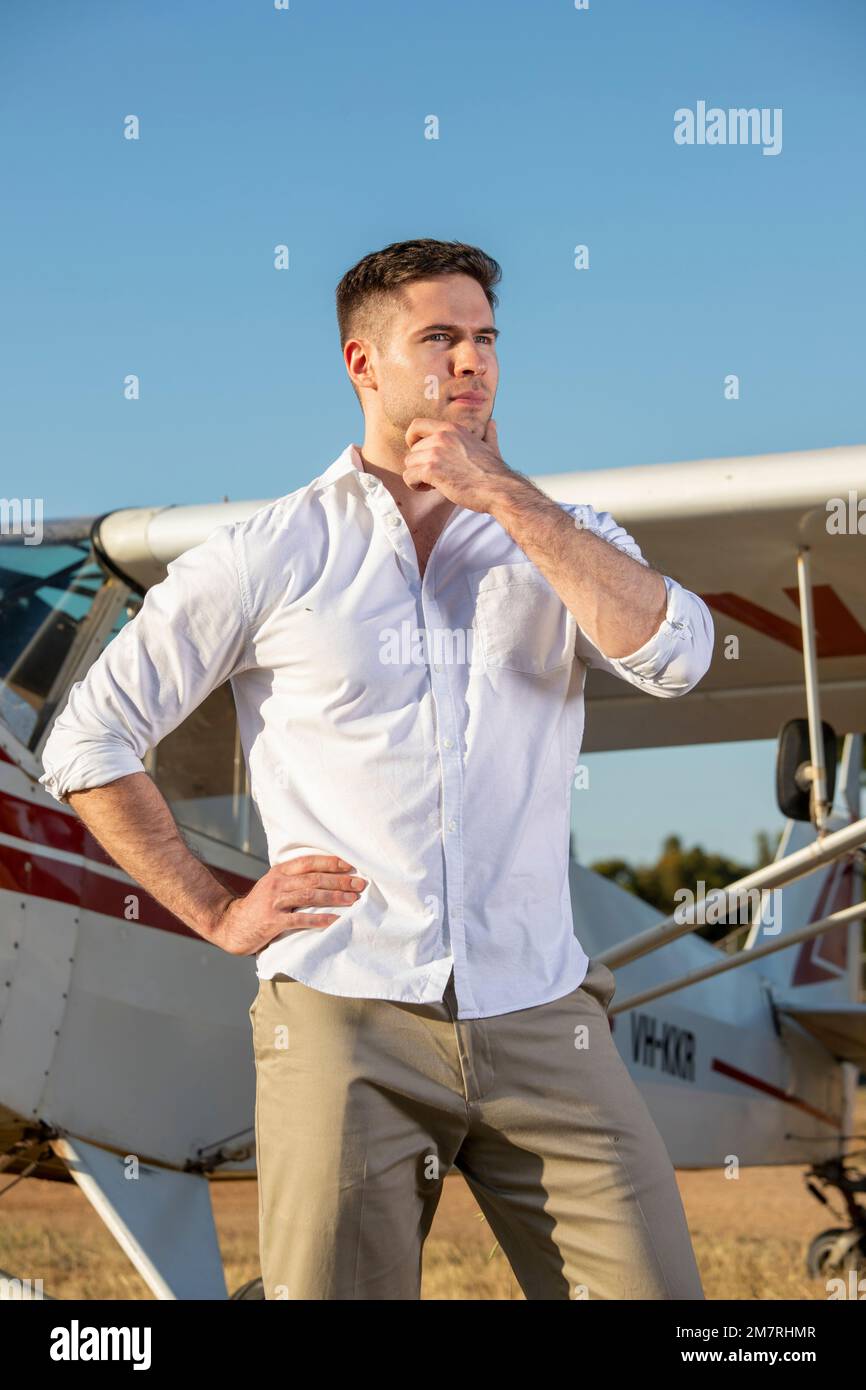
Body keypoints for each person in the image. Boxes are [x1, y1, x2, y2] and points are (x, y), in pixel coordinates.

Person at [40, 238, 713, 1300]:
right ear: (362, 364)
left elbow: (677, 656)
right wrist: (218, 912)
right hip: (341, 1014)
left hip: (542, 1010)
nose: (470, 364)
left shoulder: (565, 536)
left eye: (485, 340)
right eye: (437, 339)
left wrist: (507, 500)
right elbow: (87, 739)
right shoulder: (267, 552)